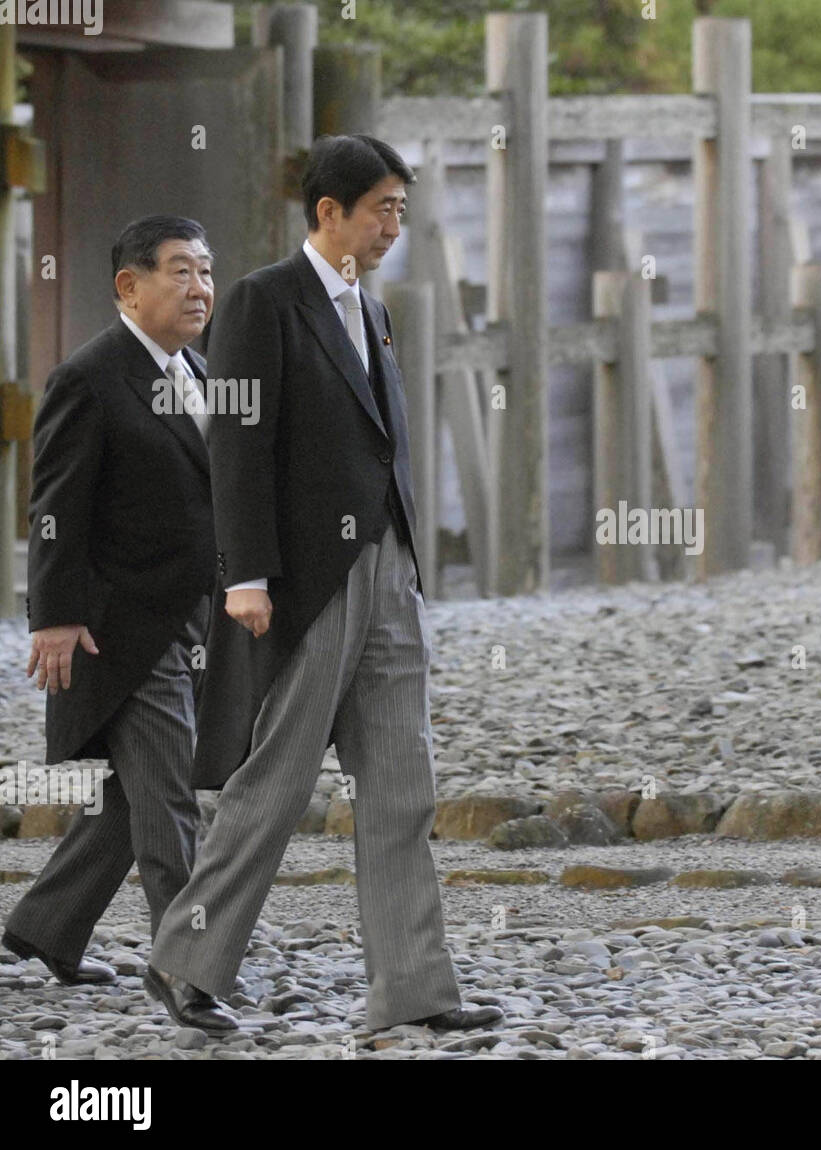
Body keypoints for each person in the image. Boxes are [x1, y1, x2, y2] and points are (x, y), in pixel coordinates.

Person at [145, 135, 500, 1036]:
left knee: (403, 786)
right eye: (379, 208)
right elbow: (236, 446)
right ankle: (185, 961)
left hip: (388, 573)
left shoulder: (373, 313)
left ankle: (414, 992)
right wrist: (246, 575)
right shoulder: (264, 301)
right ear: (328, 213)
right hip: (303, 583)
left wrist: (409, 566)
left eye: (401, 210)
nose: (393, 226)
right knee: (276, 784)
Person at [3, 216, 216, 990]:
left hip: (192, 619)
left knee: (135, 796)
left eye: (205, 271)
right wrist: (54, 617)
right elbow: (54, 506)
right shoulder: (89, 377)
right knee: (168, 799)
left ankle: (46, 927)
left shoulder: (201, 367)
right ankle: (188, 966)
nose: (199, 288)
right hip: (122, 629)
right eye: (180, 272)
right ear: (130, 286)